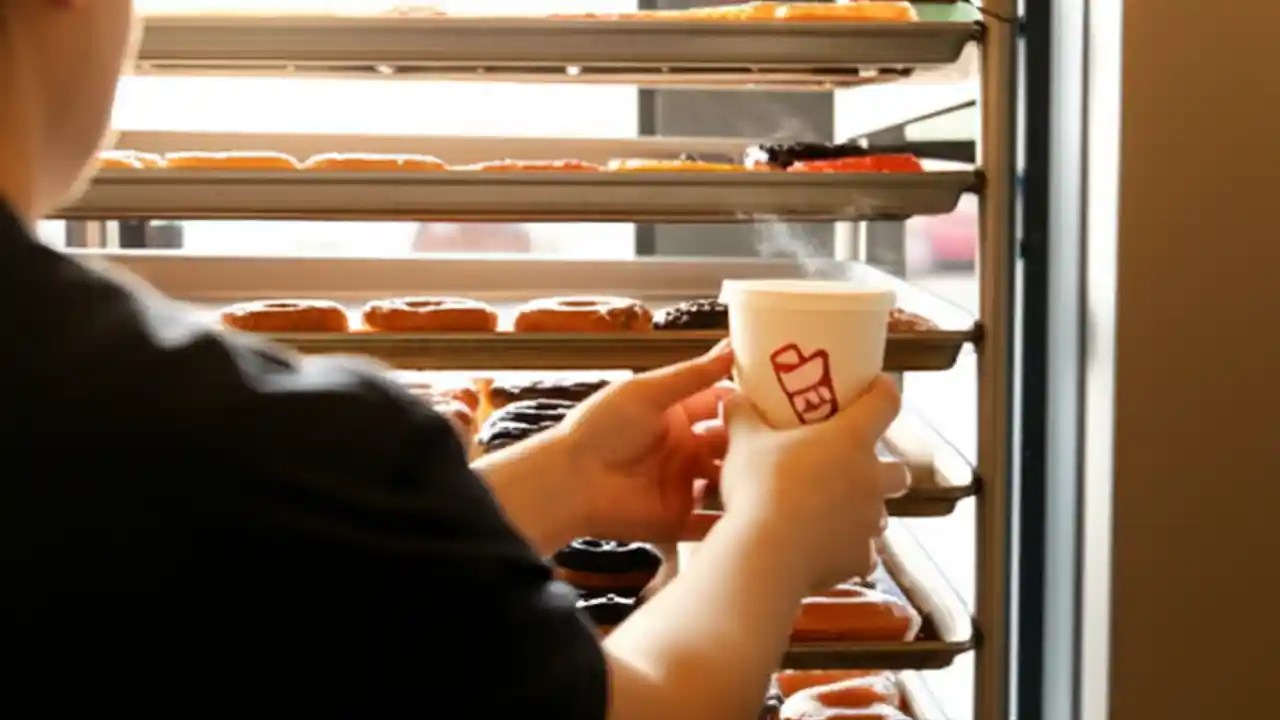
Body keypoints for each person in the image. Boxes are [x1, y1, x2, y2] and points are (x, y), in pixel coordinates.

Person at [0, 1, 909, 716]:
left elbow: (226, 586)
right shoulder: (252, 438)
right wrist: (773, 537)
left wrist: (558, 480)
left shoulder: (165, 436)